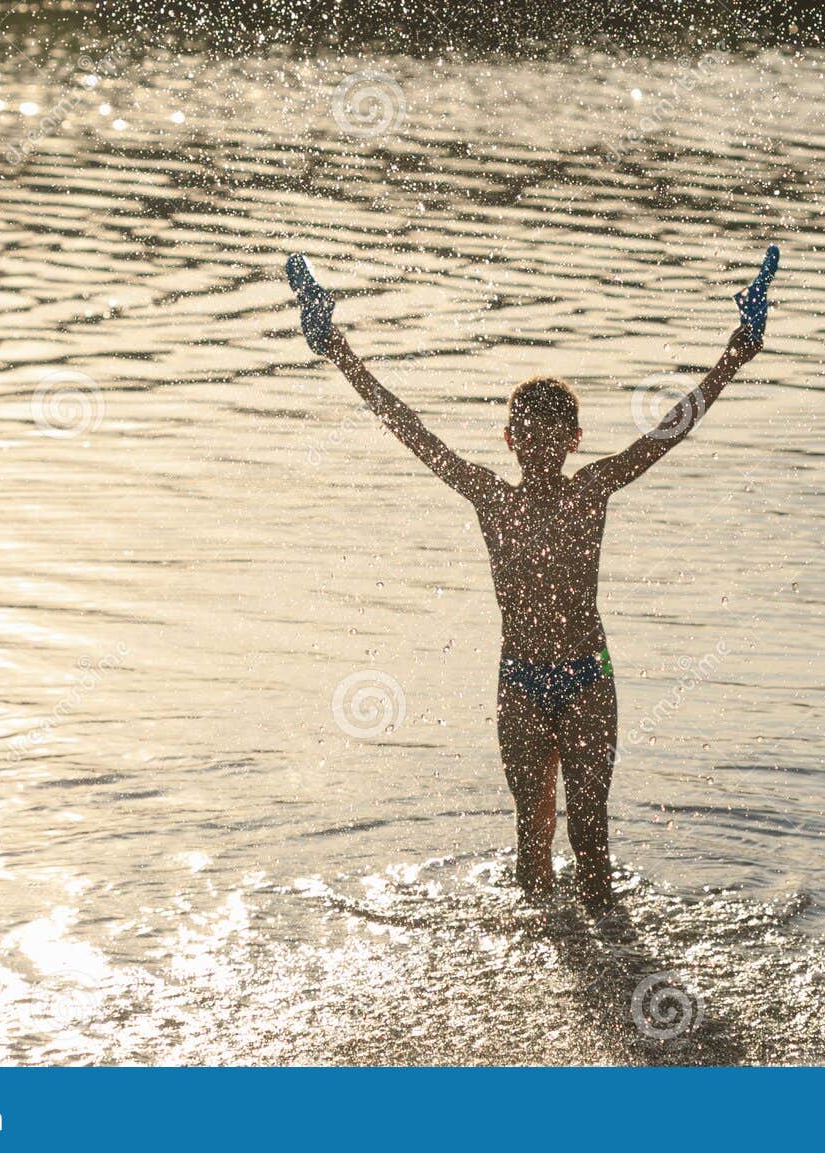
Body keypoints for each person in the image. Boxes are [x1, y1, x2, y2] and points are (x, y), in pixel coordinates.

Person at [287, 246, 777, 911]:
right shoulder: (493, 499)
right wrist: (338, 351)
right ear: (510, 440)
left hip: (587, 677)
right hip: (519, 679)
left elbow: (669, 431)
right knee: (532, 834)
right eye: (526, 435)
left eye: (551, 437)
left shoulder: (592, 489)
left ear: (573, 440)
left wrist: (731, 359)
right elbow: (410, 428)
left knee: (592, 835)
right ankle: (547, 964)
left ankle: (609, 952)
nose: (539, 448)